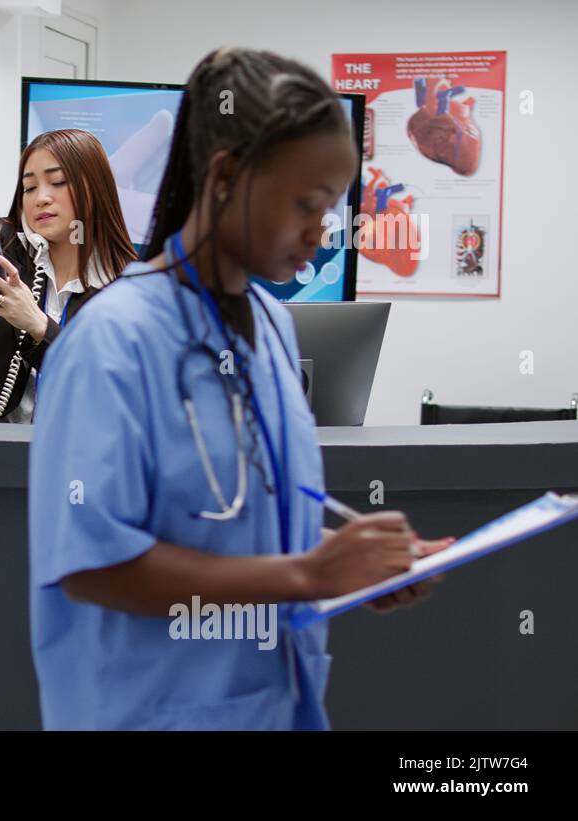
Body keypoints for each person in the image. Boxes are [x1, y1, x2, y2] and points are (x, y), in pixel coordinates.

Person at [27, 48, 452, 730]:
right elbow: (92, 564)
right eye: (307, 204)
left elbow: (236, 518)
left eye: (334, 209)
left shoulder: (274, 329)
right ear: (225, 177)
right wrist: (308, 577)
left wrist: (354, 563)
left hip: (275, 706)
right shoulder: (112, 341)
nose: (323, 231)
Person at [0, 129, 136, 423]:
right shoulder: (5, 246)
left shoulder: (129, 286)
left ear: (95, 189)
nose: (41, 198)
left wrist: (39, 325)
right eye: (29, 188)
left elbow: (108, 389)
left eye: (58, 183)